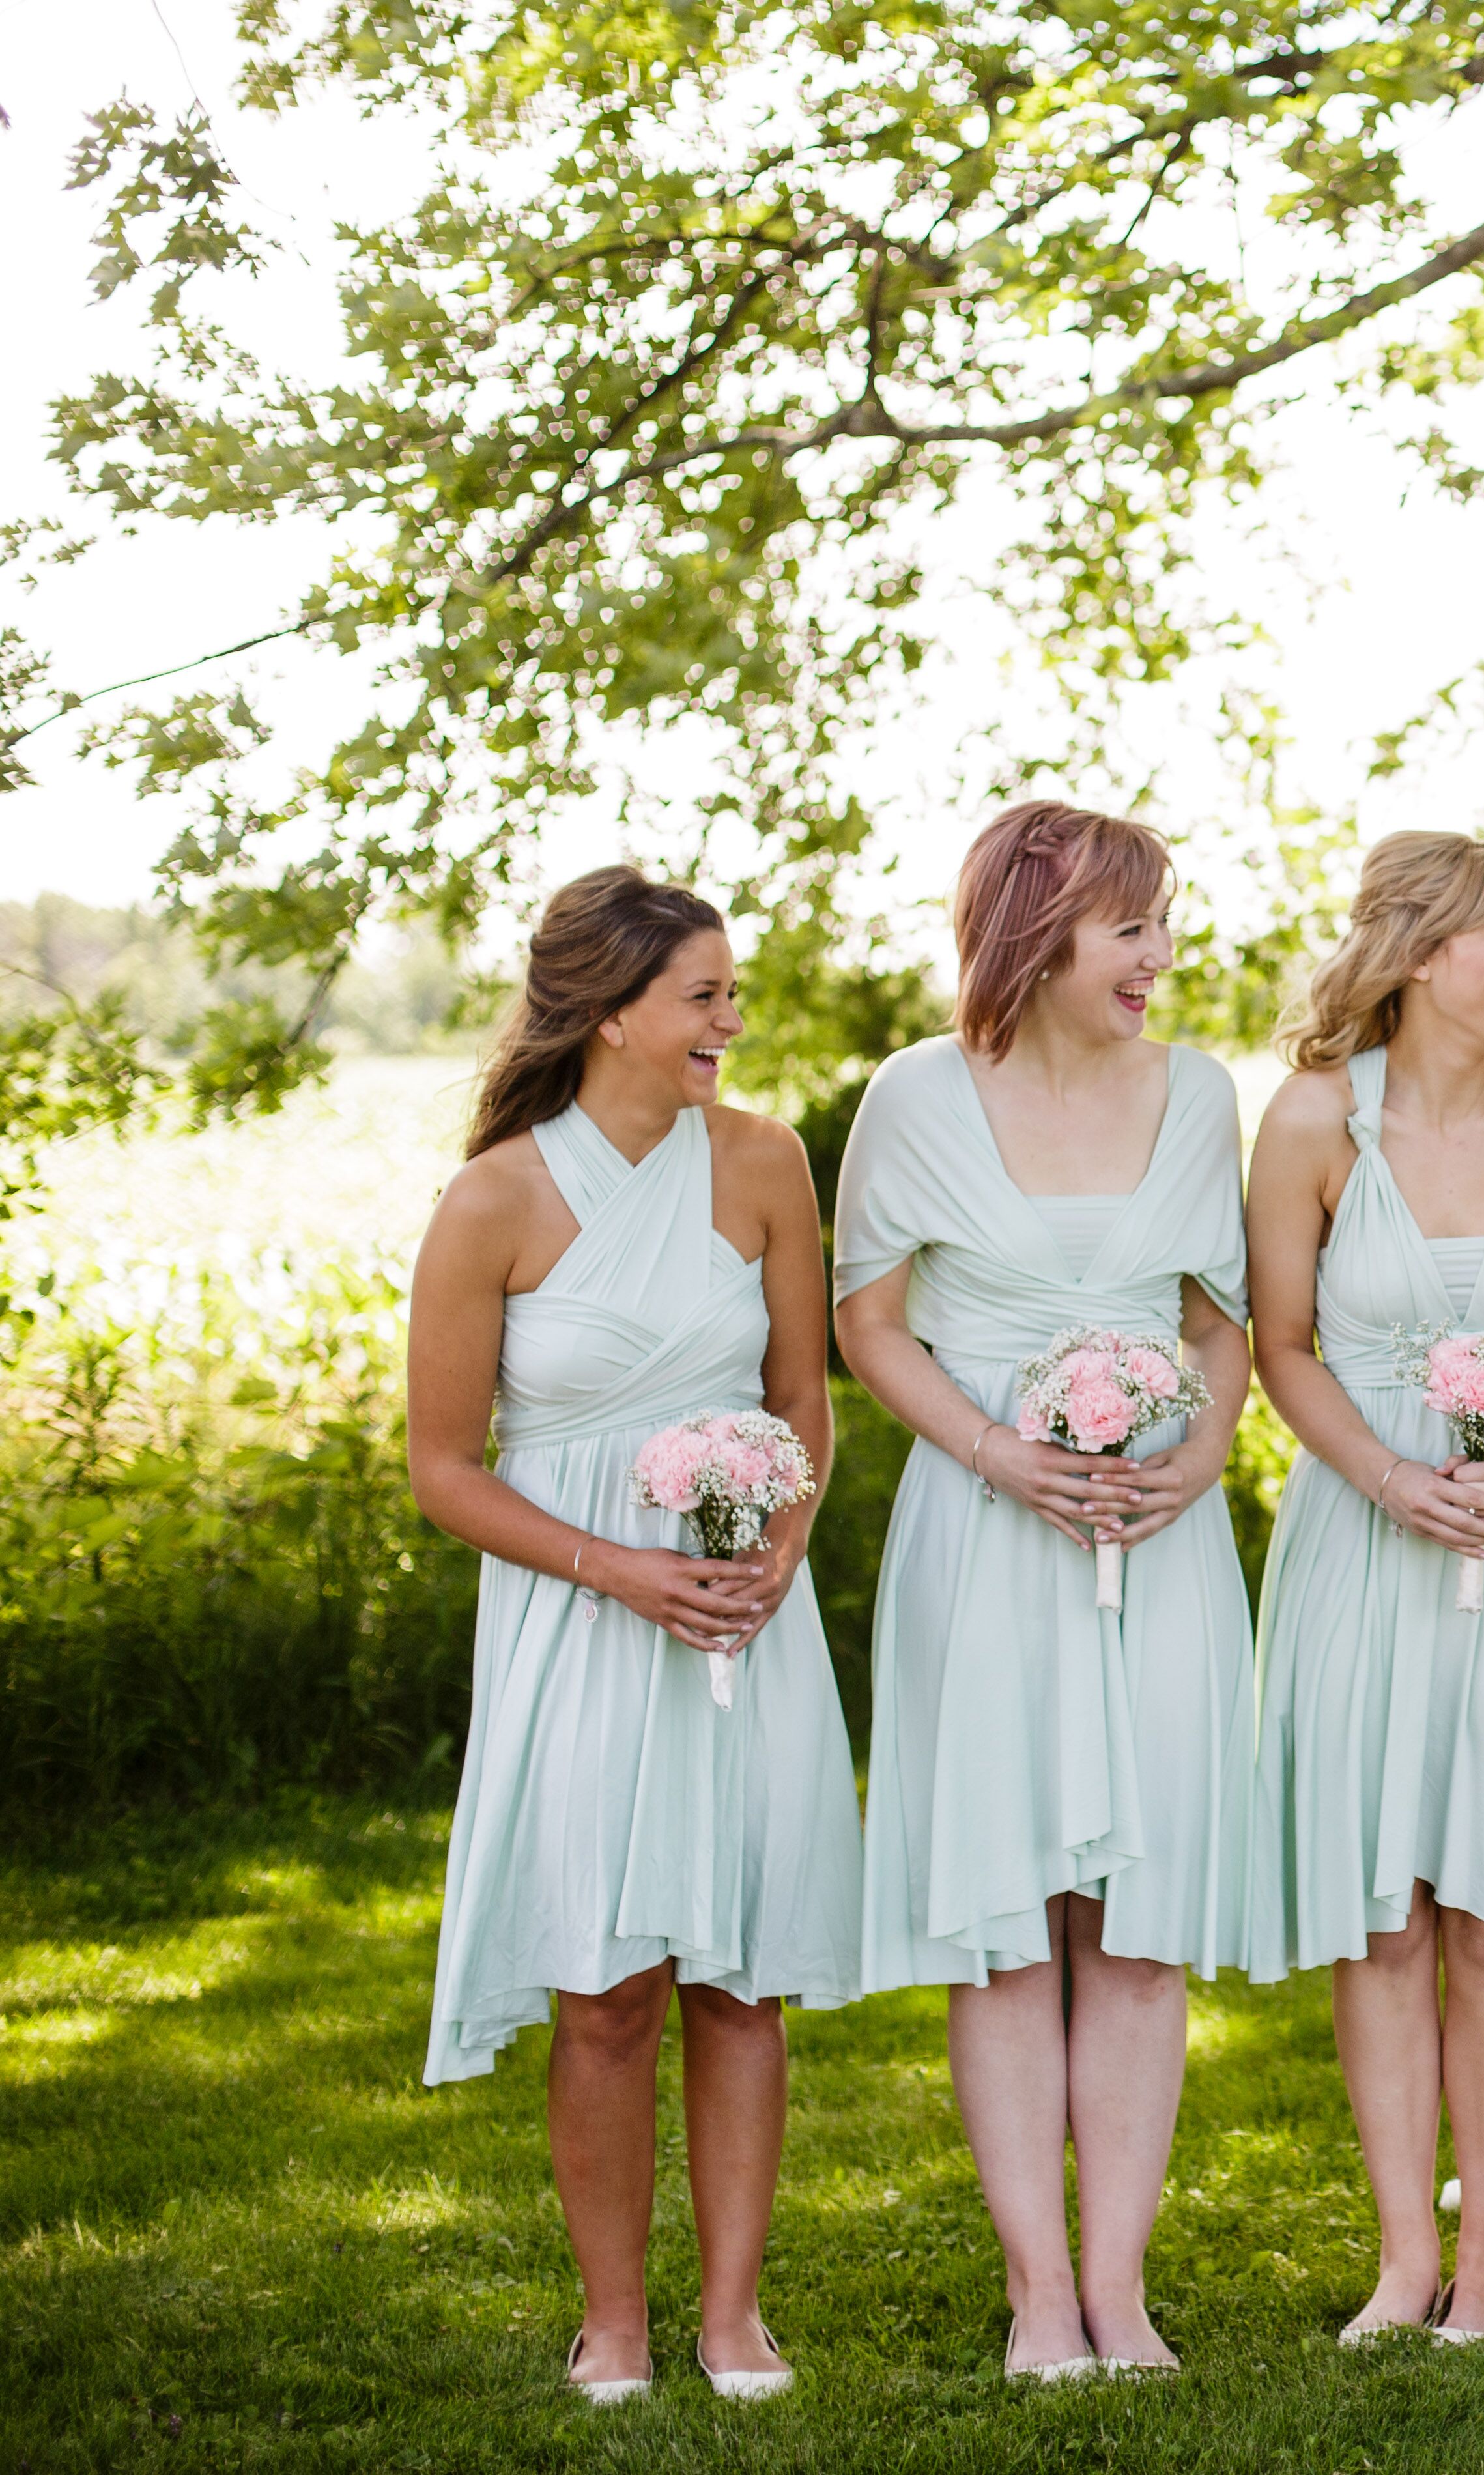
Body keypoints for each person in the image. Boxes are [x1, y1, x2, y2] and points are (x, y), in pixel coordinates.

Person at [407, 866, 861, 2403]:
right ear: (609, 1013)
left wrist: (771, 1554)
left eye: (731, 994)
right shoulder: (495, 1199)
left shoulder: (766, 1166)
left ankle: (733, 2316)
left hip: (744, 1618)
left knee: (741, 1974)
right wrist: (622, 1570)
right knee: (605, 1988)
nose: (731, 1021)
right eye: (704, 998)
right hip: (578, 1617)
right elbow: (443, 1470)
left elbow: (802, 1401)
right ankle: (614, 2319)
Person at [831, 800, 1255, 2378]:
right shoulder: (915, 1097)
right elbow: (868, 1323)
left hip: (1160, 1541)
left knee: (1138, 1923)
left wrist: (1201, 1454)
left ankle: (1121, 2287)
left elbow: (1222, 1321)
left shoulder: (1200, 1094)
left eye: (1158, 924)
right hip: (986, 1532)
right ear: (1039, 927)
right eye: (1133, 925)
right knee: (1010, 1921)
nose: (1159, 956)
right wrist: (998, 1453)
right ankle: (1035, 2296)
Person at [1236, 832, 1484, 2343]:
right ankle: (1405, 2261)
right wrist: (1396, 1481)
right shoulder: (1311, 1122)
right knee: (1384, 1908)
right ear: (1413, 953)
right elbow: (1281, 1346)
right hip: (1363, 1531)